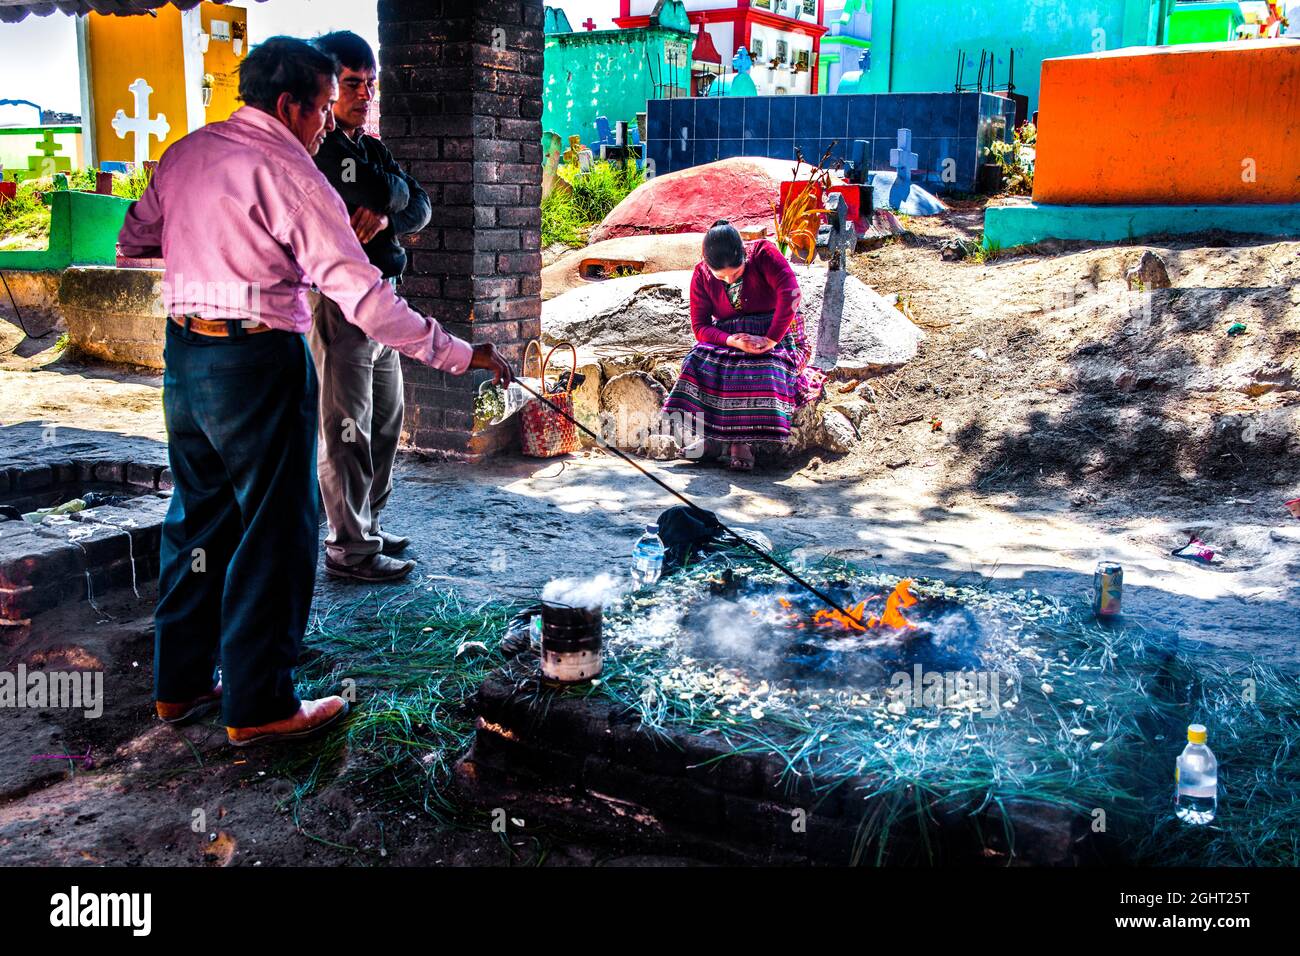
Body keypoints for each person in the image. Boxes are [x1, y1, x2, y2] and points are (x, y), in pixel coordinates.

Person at [117, 37, 511, 747]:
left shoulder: (188, 153)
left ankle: (178, 686)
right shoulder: (291, 172)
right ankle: (261, 704)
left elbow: (136, 238)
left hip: (186, 352)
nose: (330, 123)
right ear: (290, 104)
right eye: (325, 107)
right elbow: (365, 299)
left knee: (200, 519)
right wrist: (459, 353)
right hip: (257, 359)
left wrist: (211, 251)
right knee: (279, 527)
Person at [308, 31, 426, 584]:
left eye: (369, 84)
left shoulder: (370, 147)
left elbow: (419, 206)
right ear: (327, 88)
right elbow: (373, 189)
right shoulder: (325, 148)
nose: (363, 94)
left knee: (385, 421)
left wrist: (385, 207)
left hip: (383, 295)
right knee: (347, 428)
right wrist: (391, 195)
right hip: (339, 302)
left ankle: (369, 527)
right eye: (352, 84)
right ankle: (349, 548)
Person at [661, 220, 825, 469]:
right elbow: (700, 327)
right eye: (720, 276)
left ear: (744, 256)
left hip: (779, 333)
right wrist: (731, 340)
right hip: (731, 336)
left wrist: (770, 339)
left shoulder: (763, 253)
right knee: (696, 362)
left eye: (736, 274)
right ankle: (712, 439)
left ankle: (742, 442)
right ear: (707, 265)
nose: (728, 280)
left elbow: (790, 293)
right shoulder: (701, 275)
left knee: (764, 367)